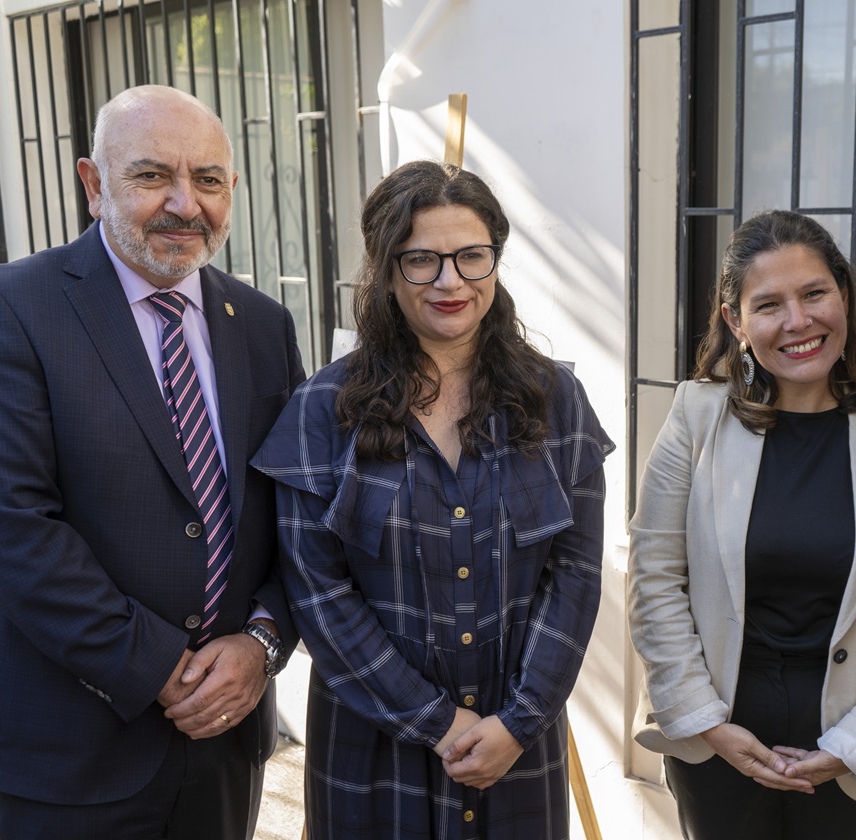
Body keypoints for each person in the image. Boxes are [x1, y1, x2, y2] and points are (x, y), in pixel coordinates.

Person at [0, 85, 305, 839]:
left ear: (232, 189)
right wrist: (159, 669)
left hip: (226, 739)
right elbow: (12, 529)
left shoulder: (265, 327)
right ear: (92, 183)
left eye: (208, 179)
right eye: (151, 176)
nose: (185, 203)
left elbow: (298, 515)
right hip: (75, 743)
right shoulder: (8, 309)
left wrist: (262, 644)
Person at [250, 160, 614, 839]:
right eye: (422, 260)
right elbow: (320, 597)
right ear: (387, 271)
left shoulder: (554, 400)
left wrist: (520, 719)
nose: (451, 281)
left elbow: (577, 574)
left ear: (495, 263)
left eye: (471, 257)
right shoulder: (322, 411)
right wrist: (438, 722)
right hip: (373, 752)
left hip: (517, 750)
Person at [628, 209, 856, 839]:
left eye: (815, 293)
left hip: (845, 752)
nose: (798, 321)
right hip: (717, 742)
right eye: (769, 304)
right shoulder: (696, 417)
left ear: (843, 296)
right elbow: (655, 575)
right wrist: (706, 721)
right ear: (736, 322)